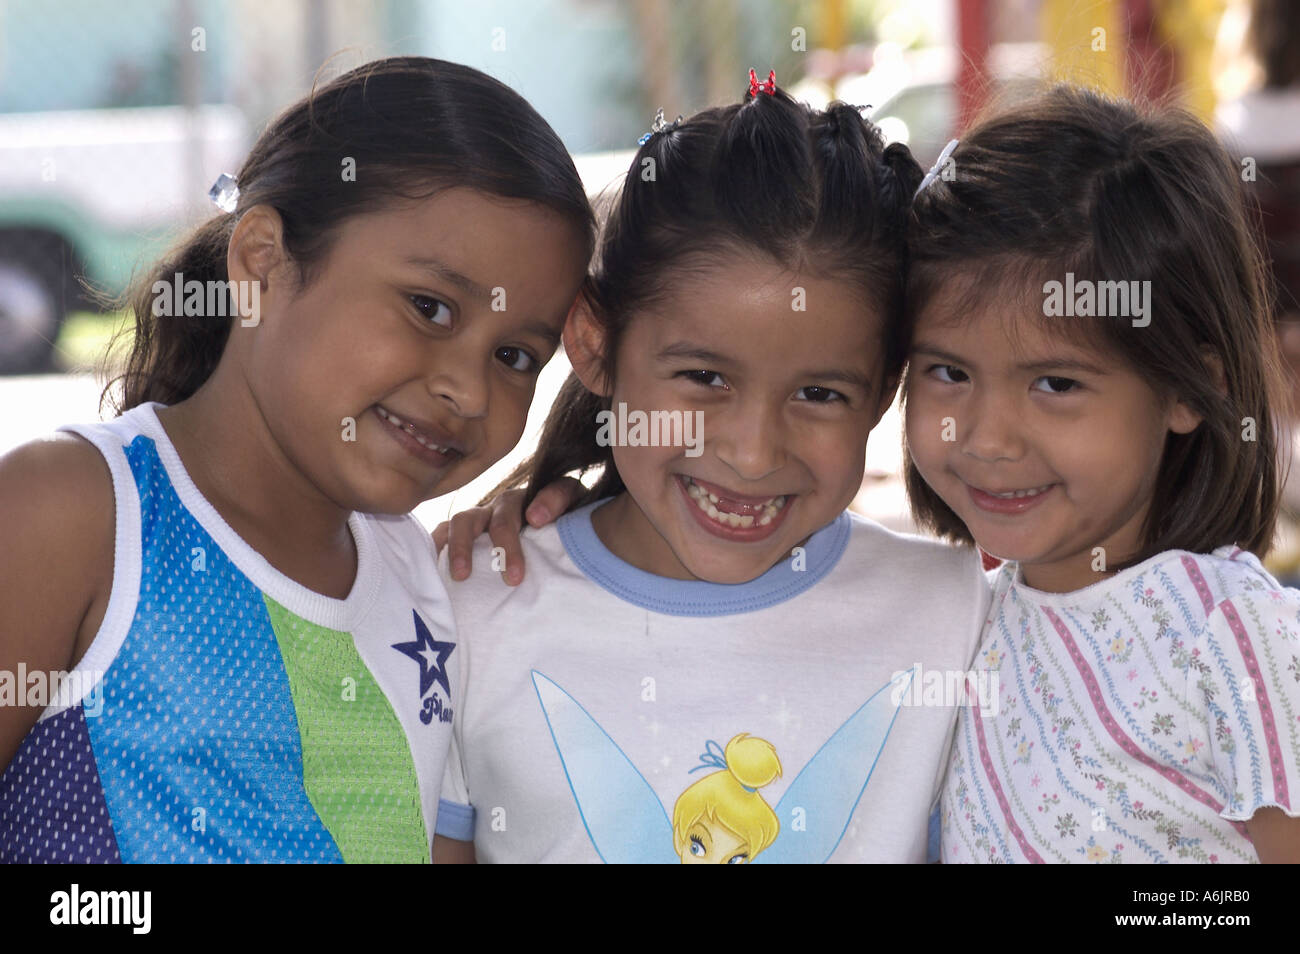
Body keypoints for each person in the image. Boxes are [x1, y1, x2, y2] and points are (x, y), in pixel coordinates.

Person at [0, 57, 593, 862]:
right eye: (430, 307)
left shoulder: (432, 589)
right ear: (262, 263)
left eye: (518, 356)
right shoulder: (76, 513)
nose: (469, 389)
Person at [432, 73, 990, 864]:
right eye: (704, 379)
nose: (753, 452)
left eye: (821, 393)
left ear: (885, 391)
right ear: (595, 345)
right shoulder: (471, 614)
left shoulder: (955, 618)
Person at [903, 84, 1300, 862]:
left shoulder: (1236, 639)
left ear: (1191, 386)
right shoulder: (961, 622)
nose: (987, 437)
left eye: (1056, 384)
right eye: (948, 371)